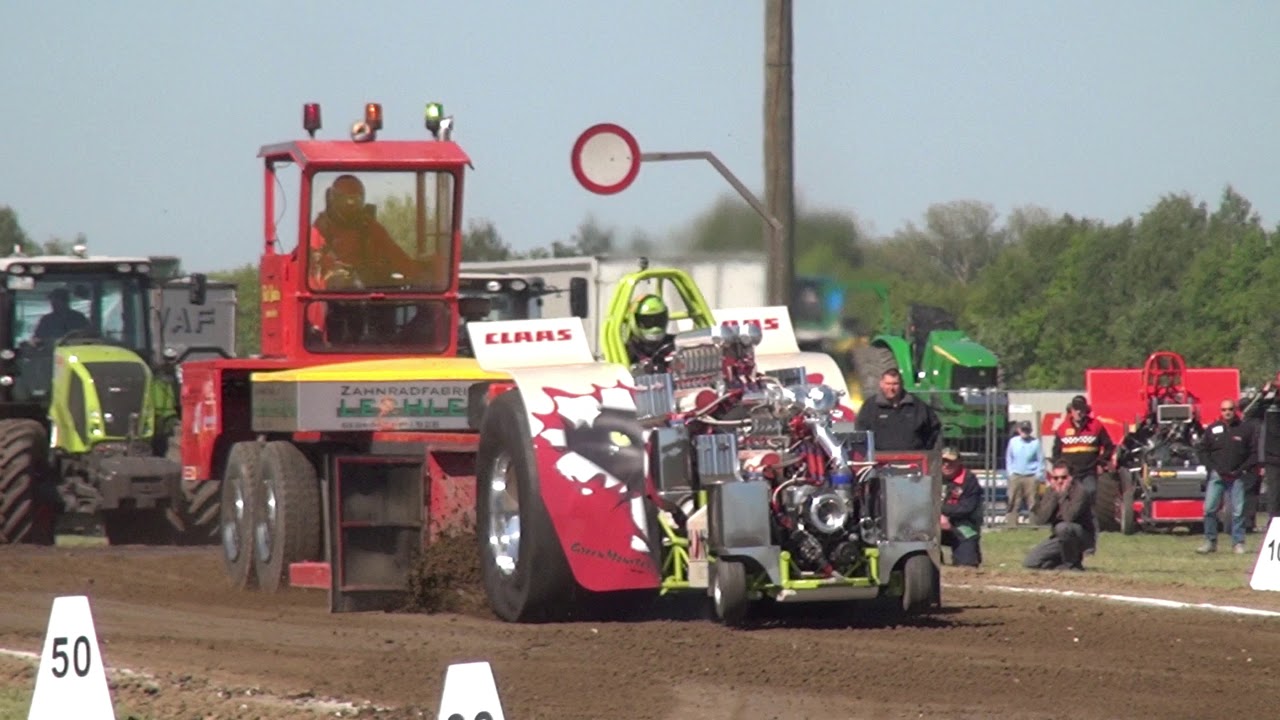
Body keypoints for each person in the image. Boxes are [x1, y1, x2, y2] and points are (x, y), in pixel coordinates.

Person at [308, 174, 420, 290]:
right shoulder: (320, 231)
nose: (350, 205)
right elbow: (313, 269)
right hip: (332, 299)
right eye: (345, 199)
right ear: (334, 199)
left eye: (355, 199)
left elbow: (396, 256)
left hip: (371, 296)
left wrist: (419, 273)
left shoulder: (370, 227)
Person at [1051, 394, 1115, 554]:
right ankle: (1060, 541)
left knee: (1087, 505)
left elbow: (1108, 446)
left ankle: (1089, 545)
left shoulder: (1096, 426)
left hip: (1088, 473)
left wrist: (1101, 462)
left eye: (1082, 409)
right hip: (1069, 476)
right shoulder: (1062, 428)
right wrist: (1059, 470)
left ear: (1086, 410)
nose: (1079, 412)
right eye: (1076, 409)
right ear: (1071, 410)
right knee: (1061, 507)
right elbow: (1056, 452)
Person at [1195, 398, 1259, 554]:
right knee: (1209, 509)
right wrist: (1212, 468)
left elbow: (1254, 453)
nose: (1227, 412)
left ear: (1235, 410)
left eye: (1230, 409)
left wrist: (1242, 470)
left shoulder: (1246, 429)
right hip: (1217, 476)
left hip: (1237, 476)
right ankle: (1210, 542)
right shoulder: (1212, 429)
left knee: (1238, 511)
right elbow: (1203, 451)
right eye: (1224, 410)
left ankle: (1238, 543)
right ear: (1220, 411)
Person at [1023, 460, 1092, 571]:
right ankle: (1059, 563)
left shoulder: (1080, 492)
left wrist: (1063, 495)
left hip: (1081, 535)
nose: (1059, 481)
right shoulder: (1051, 491)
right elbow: (1041, 519)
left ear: (1071, 477)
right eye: (1056, 478)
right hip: (1060, 537)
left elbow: (1069, 517)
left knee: (1063, 527)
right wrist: (1054, 497)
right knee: (1031, 562)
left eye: (1063, 477)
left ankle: (1072, 564)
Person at [855, 368, 942, 452]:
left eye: (895, 384)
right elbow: (861, 432)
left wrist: (924, 450)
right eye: (888, 384)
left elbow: (934, 429)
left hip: (914, 460)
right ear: (881, 384)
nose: (891, 388)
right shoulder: (870, 406)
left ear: (902, 384)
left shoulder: (917, 406)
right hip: (881, 461)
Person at [1242, 372, 1280, 530]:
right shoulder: (1268, 404)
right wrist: (1263, 394)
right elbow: (1247, 412)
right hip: (1273, 457)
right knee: (1275, 495)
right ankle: (1274, 527)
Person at [939, 446, 984, 567]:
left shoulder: (969, 480)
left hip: (962, 525)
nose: (946, 465)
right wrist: (937, 516)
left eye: (951, 462)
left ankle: (971, 554)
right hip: (932, 525)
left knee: (967, 565)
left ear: (959, 462)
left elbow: (967, 507)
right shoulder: (931, 477)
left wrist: (943, 512)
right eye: (943, 462)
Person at [623, 294, 676, 375]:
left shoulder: (675, 345)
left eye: (659, 320)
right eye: (648, 321)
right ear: (635, 321)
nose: (655, 327)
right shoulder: (626, 352)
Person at [1004, 420, 1044, 527]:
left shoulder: (1035, 443)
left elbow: (1040, 459)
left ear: (1030, 431)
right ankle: (1011, 524)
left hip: (1031, 475)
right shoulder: (1013, 441)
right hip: (1016, 475)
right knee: (1013, 499)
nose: (1024, 432)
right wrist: (1010, 472)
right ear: (1019, 430)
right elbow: (1009, 457)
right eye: (1023, 430)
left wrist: (1038, 475)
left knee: (1033, 501)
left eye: (1027, 430)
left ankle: (1033, 523)